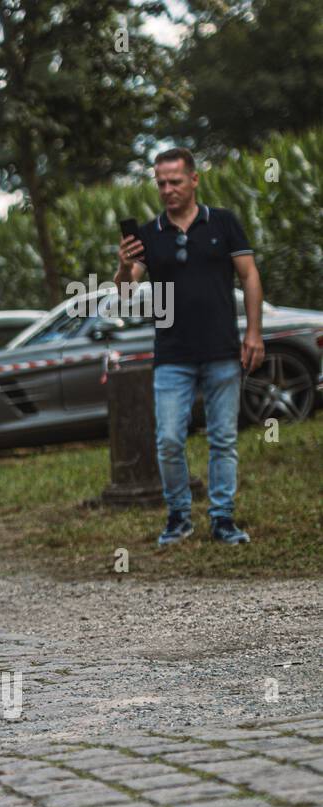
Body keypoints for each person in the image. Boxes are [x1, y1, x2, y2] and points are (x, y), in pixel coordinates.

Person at [115, 147, 264, 546]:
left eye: (175, 181)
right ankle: (179, 516)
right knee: (168, 439)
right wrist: (123, 266)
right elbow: (125, 292)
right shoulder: (149, 234)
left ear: (194, 180)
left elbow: (249, 277)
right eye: (161, 183)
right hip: (172, 354)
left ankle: (222, 519)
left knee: (223, 438)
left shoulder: (225, 223)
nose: (168, 189)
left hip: (221, 350)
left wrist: (253, 333)